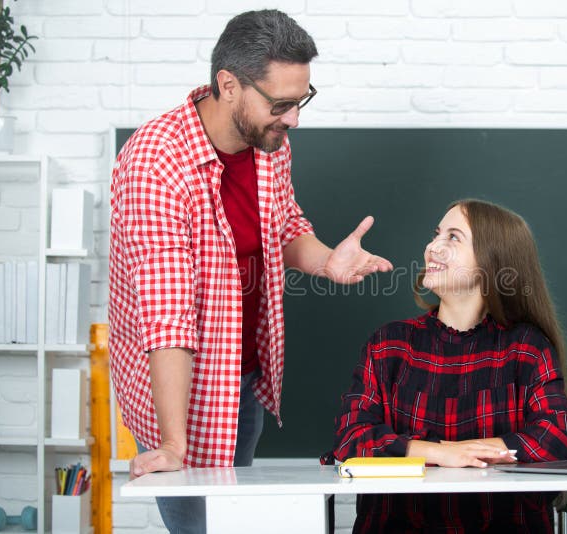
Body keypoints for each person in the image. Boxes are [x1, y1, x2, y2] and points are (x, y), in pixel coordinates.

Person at [108, 9, 392, 533]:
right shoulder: (155, 162)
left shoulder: (269, 144)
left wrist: (325, 260)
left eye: (301, 100)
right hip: (179, 393)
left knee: (234, 525)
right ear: (228, 85)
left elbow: (284, 226)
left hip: (244, 379)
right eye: (281, 104)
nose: (294, 119)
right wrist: (173, 445)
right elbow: (168, 316)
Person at [325, 199, 567, 533]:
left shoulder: (526, 347)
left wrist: (463, 452)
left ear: (491, 261)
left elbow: (560, 437)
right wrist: (440, 453)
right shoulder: (389, 344)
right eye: (436, 235)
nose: (432, 246)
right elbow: (351, 436)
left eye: (453, 237)